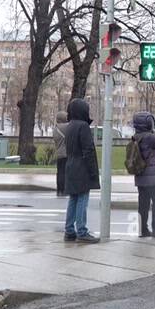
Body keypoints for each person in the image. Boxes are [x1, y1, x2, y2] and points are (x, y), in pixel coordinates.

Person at [63, 98, 100, 243]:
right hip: (82, 166)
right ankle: (82, 231)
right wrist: (93, 171)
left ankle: (69, 230)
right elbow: (88, 150)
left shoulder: (69, 125)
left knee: (73, 199)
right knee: (82, 199)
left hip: (71, 165)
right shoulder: (83, 126)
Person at [133, 111, 155, 239]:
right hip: (153, 177)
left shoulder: (136, 136)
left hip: (141, 176)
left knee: (143, 204)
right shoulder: (150, 137)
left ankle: (142, 229)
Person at [53, 111, 68, 197]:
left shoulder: (55, 129)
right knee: (65, 173)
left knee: (60, 172)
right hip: (66, 153)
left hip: (59, 153)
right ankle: (64, 189)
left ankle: (59, 190)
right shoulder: (65, 127)